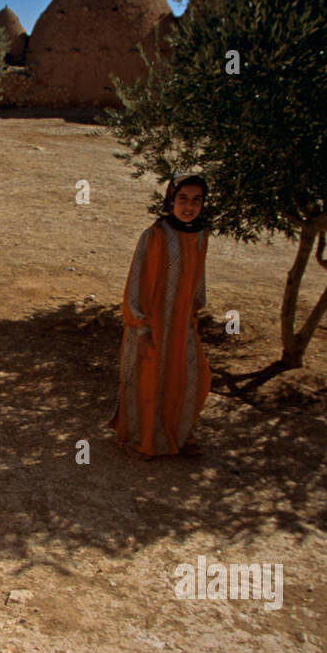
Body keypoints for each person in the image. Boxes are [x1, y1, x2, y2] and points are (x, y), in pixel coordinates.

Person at [109, 173, 211, 458]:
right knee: (150, 379)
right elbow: (137, 280)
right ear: (170, 201)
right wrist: (140, 326)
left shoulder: (201, 235)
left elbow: (197, 281)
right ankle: (148, 442)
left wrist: (195, 312)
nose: (189, 206)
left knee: (194, 378)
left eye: (196, 200)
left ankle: (180, 435)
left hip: (183, 324)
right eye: (183, 199)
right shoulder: (154, 235)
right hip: (152, 324)